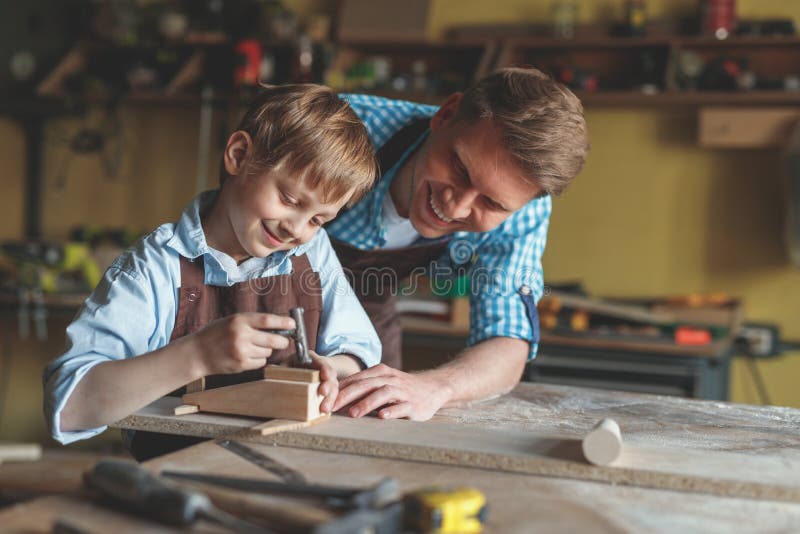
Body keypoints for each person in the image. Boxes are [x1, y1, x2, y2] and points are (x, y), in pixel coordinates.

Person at [43, 84, 382, 459]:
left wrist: (326, 369)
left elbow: (359, 352)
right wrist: (197, 355)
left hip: (292, 468)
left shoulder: (311, 251)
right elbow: (69, 405)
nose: (297, 229)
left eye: (318, 219)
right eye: (288, 199)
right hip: (177, 483)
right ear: (238, 156)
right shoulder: (154, 268)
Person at [327, 67, 589, 421]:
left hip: (367, 319)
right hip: (267, 297)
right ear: (446, 115)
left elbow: (506, 340)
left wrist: (435, 388)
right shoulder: (337, 129)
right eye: (461, 169)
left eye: (491, 204)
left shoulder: (524, 211)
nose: (456, 206)